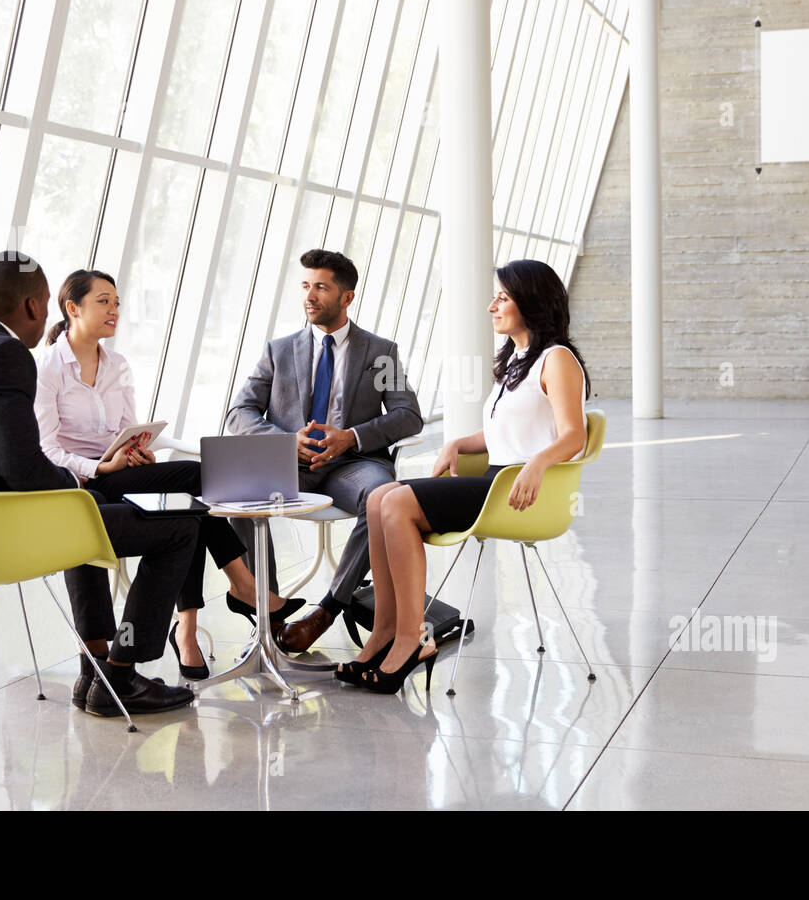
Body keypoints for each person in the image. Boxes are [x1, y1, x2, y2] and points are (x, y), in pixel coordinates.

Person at [0, 252, 196, 717]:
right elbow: (24, 472)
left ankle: (95, 674)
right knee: (177, 527)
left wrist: (80, 486)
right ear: (36, 307)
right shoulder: (6, 354)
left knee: (82, 506)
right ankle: (121, 675)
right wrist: (81, 480)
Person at [34, 269, 301, 681]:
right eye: (104, 301)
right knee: (184, 501)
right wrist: (100, 467)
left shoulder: (117, 365)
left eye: (117, 303)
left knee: (190, 487)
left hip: (116, 473)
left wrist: (136, 451)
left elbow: (126, 428)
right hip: (81, 480)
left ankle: (196, 624)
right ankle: (236, 590)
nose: (114, 311)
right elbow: (47, 449)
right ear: (73, 308)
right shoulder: (49, 368)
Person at [342, 259, 591, 693]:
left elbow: (575, 437)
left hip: (517, 491)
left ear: (531, 303)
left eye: (502, 297)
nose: (491, 305)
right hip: (496, 480)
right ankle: (384, 631)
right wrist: (460, 443)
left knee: (396, 502)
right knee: (379, 497)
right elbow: (506, 430)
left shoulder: (558, 360)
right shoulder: (516, 358)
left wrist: (536, 463)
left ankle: (411, 636)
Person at [226, 249, 423, 653]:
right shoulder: (278, 351)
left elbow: (408, 415)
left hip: (352, 466)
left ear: (346, 297)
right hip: (289, 463)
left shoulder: (379, 352)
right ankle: (268, 609)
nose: (309, 296)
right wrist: (284, 441)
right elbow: (239, 411)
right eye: (305, 286)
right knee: (238, 487)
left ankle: (328, 609)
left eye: (321, 287)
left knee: (386, 497)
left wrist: (351, 436)